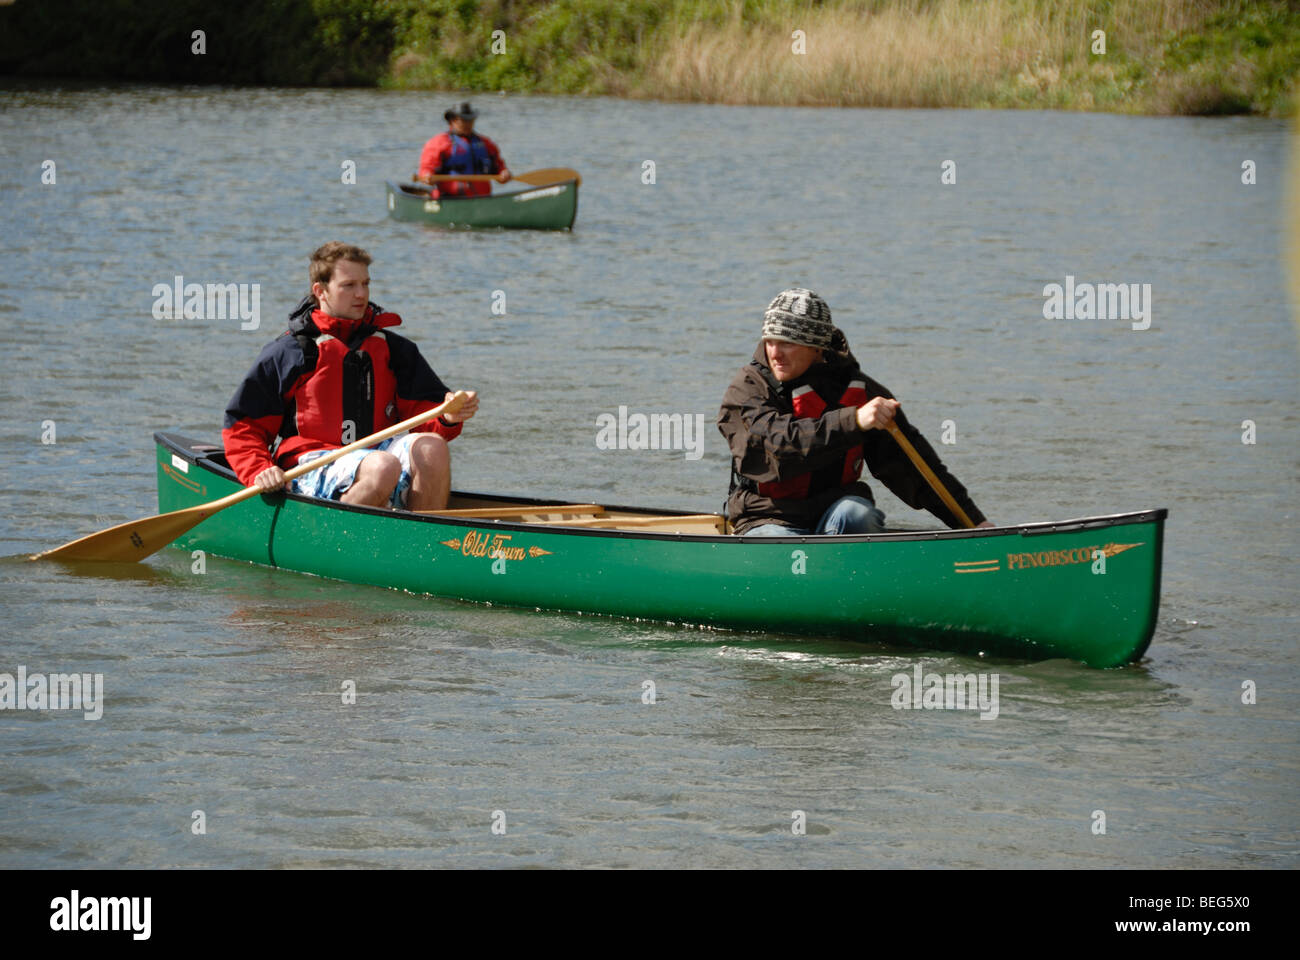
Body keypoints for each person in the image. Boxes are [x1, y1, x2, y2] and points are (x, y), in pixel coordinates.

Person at [222, 242, 478, 512]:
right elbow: (242, 427)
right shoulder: (290, 352)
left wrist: (447, 416)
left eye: (365, 284)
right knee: (382, 466)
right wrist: (259, 469)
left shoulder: (395, 349)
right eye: (349, 285)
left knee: (432, 447)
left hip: (376, 456)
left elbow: (426, 414)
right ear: (320, 291)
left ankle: (426, 542)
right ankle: (333, 538)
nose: (361, 294)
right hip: (309, 462)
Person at [717, 287, 993, 536]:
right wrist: (855, 420)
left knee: (858, 515)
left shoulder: (861, 390)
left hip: (836, 510)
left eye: (787, 343)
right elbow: (778, 446)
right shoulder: (747, 390)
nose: (775, 353)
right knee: (780, 541)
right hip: (768, 517)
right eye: (770, 341)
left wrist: (973, 521)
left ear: (816, 347)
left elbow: (913, 468)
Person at [415, 101, 511, 198]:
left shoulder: (486, 143)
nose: (468, 124)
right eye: (464, 120)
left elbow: (499, 166)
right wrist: (427, 176)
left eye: (470, 120)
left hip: (482, 199)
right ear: (452, 121)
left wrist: (504, 173)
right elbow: (427, 168)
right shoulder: (438, 143)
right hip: (449, 199)